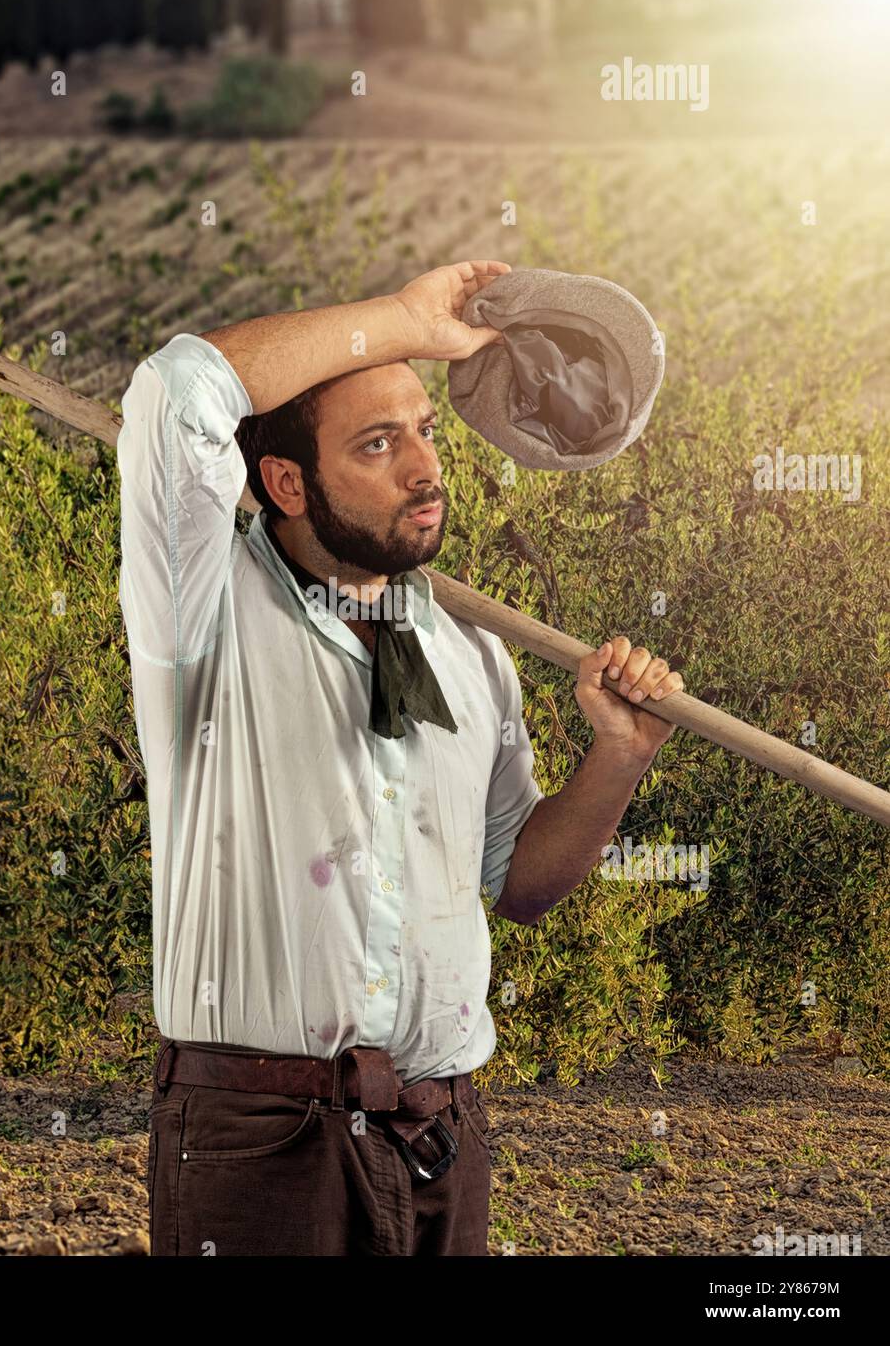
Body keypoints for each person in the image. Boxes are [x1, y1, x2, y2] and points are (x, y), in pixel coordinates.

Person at [116, 259, 685, 1256]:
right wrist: (402, 321)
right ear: (283, 482)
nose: (425, 471)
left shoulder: (467, 655)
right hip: (261, 1144)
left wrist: (615, 757)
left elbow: (517, 881)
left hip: (441, 1137)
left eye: (423, 430)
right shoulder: (200, 614)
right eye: (377, 445)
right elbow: (180, 391)